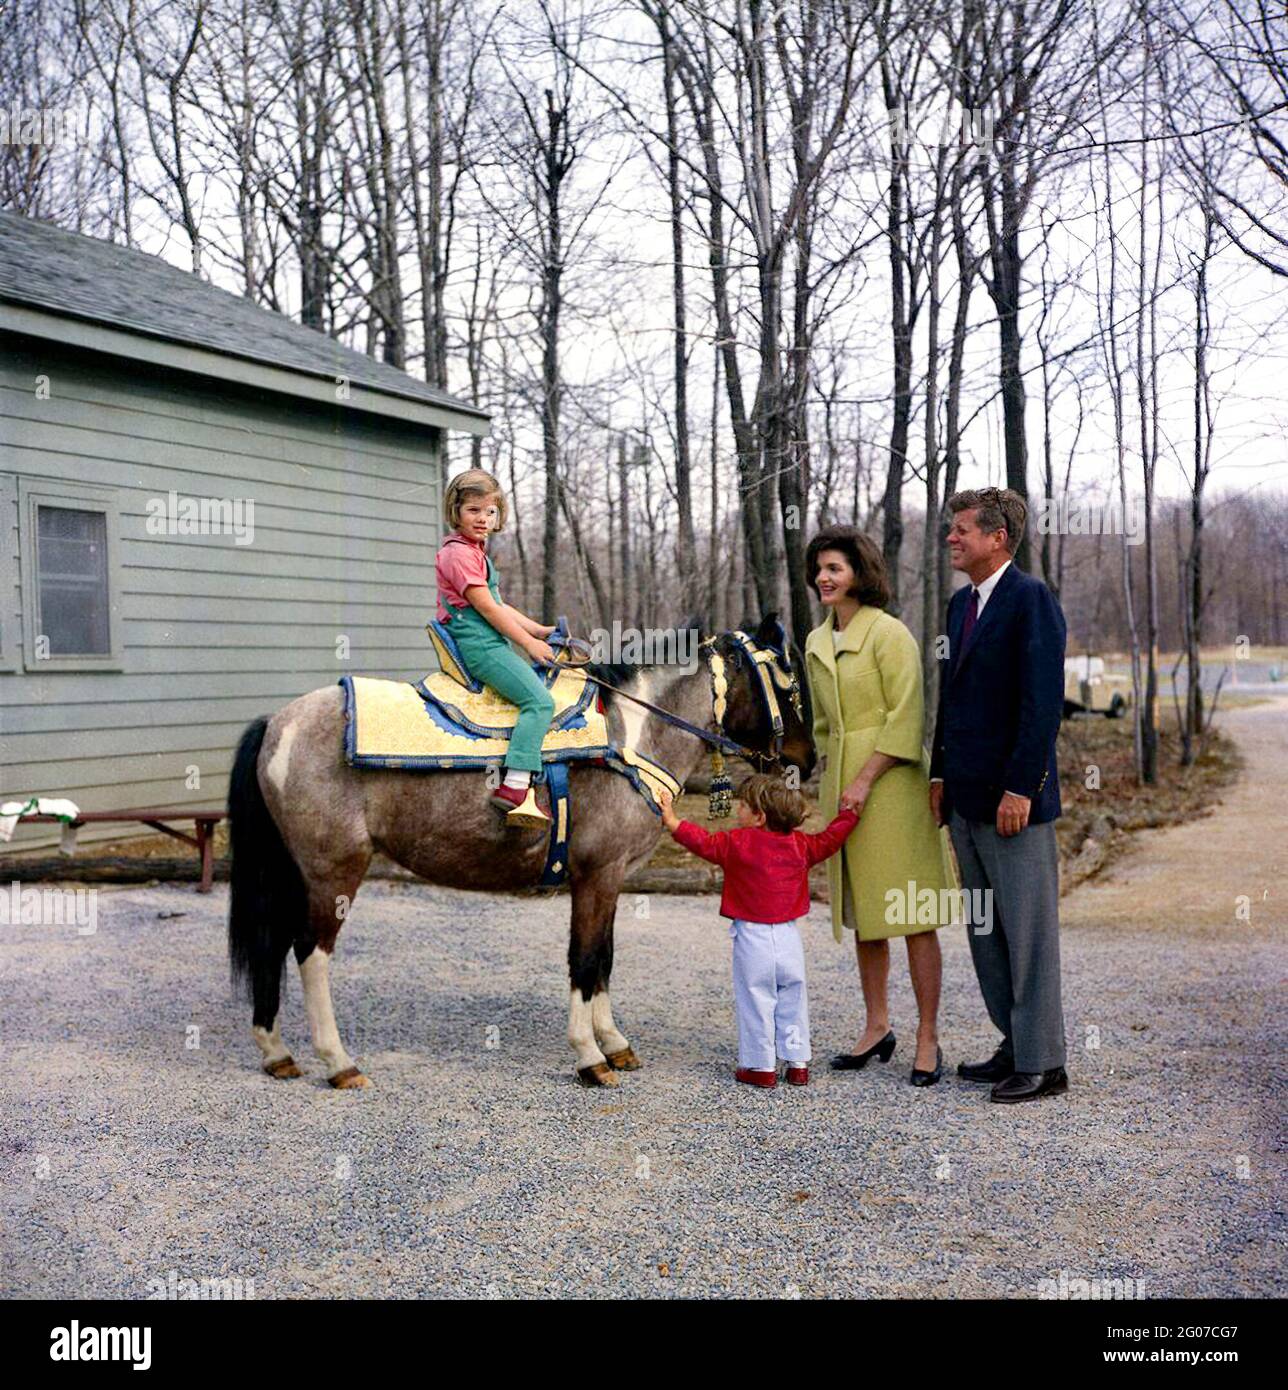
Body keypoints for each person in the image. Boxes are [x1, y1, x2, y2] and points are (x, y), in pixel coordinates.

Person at [929, 487, 1069, 1103]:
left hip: (1015, 803)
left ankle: (1045, 1064)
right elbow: (950, 701)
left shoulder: (1030, 600)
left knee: (1028, 932)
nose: (952, 538)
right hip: (965, 798)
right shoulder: (960, 606)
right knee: (986, 930)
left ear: (997, 538)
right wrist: (938, 777)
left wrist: (1022, 788)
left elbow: (1041, 706)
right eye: (952, 529)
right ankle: (1013, 1045)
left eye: (962, 530)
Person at [803, 526, 955, 1087]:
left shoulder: (890, 635)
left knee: (911, 914)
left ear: (859, 573)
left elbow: (907, 717)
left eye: (835, 567)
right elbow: (823, 726)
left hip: (891, 787)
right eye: (819, 567)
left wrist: (866, 779)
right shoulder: (816, 641)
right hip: (841, 786)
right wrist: (832, 778)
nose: (824, 576)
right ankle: (876, 1026)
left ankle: (928, 1036)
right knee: (867, 915)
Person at [658, 776, 857, 1089]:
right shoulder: (801, 845)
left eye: (743, 805)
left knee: (756, 999)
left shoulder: (737, 842)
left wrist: (672, 820)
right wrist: (849, 816)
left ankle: (760, 1065)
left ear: (759, 816)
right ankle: (798, 1062)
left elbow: (703, 843)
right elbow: (831, 839)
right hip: (790, 936)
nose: (738, 808)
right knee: (793, 996)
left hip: (752, 937)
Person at [435, 469, 557, 828]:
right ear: (455, 511)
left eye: (490, 512)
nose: (483, 519)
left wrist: (539, 629)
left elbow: (499, 604)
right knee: (540, 702)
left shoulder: (475, 552)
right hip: (480, 647)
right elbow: (487, 610)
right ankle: (516, 785)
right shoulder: (458, 555)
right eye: (474, 510)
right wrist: (529, 644)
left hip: (490, 639)